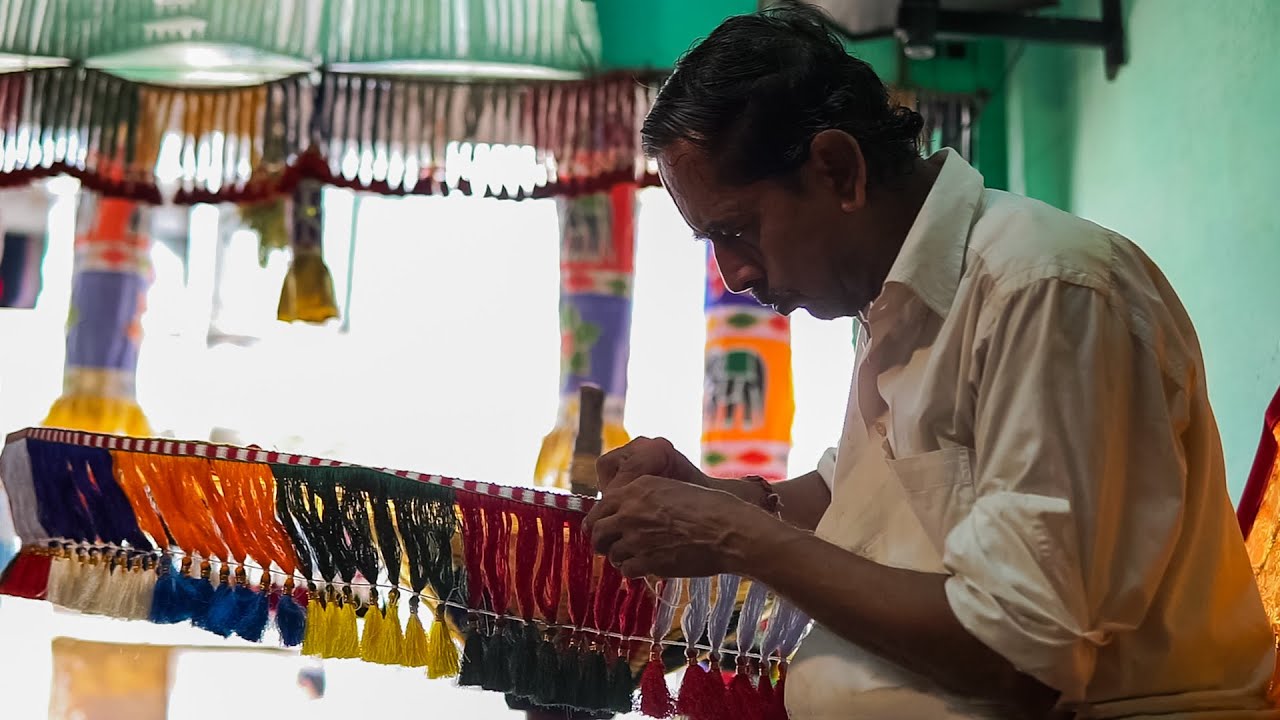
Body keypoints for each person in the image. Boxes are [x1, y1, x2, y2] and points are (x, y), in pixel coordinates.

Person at [582, 5, 1277, 719]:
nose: (732, 275)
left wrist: (735, 539)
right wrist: (721, 500)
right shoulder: (894, 306)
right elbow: (862, 499)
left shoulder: (1046, 293)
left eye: (736, 229)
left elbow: (1019, 657)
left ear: (838, 169)